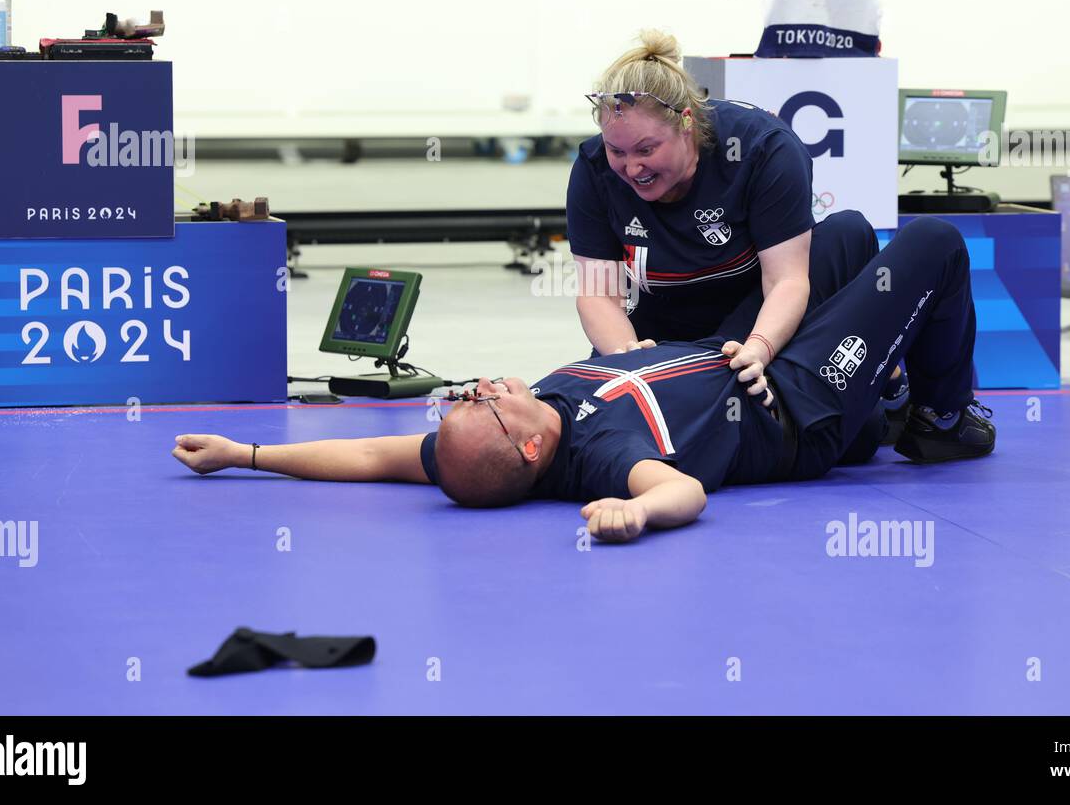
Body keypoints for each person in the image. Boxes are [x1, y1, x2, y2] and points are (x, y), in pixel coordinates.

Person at [172, 217, 992, 544]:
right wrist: (634, 513)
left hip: (745, 350)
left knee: (842, 236)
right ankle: (941, 421)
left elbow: (373, 456)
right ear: (530, 448)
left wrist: (245, 452)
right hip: (798, 407)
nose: (483, 388)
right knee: (931, 246)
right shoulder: (598, 454)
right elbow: (684, 496)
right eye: (489, 406)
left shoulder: (530, 424)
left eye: (471, 397)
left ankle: (884, 405)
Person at [570, 29, 832, 406]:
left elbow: (786, 280)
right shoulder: (594, 169)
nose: (632, 167)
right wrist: (628, 358)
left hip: (749, 318)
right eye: (617, 150)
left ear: (687, 123)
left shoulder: (764, 149)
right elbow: (598, 293)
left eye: (646, 149)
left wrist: (758, 349)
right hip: (655, 331)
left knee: (847, 234)